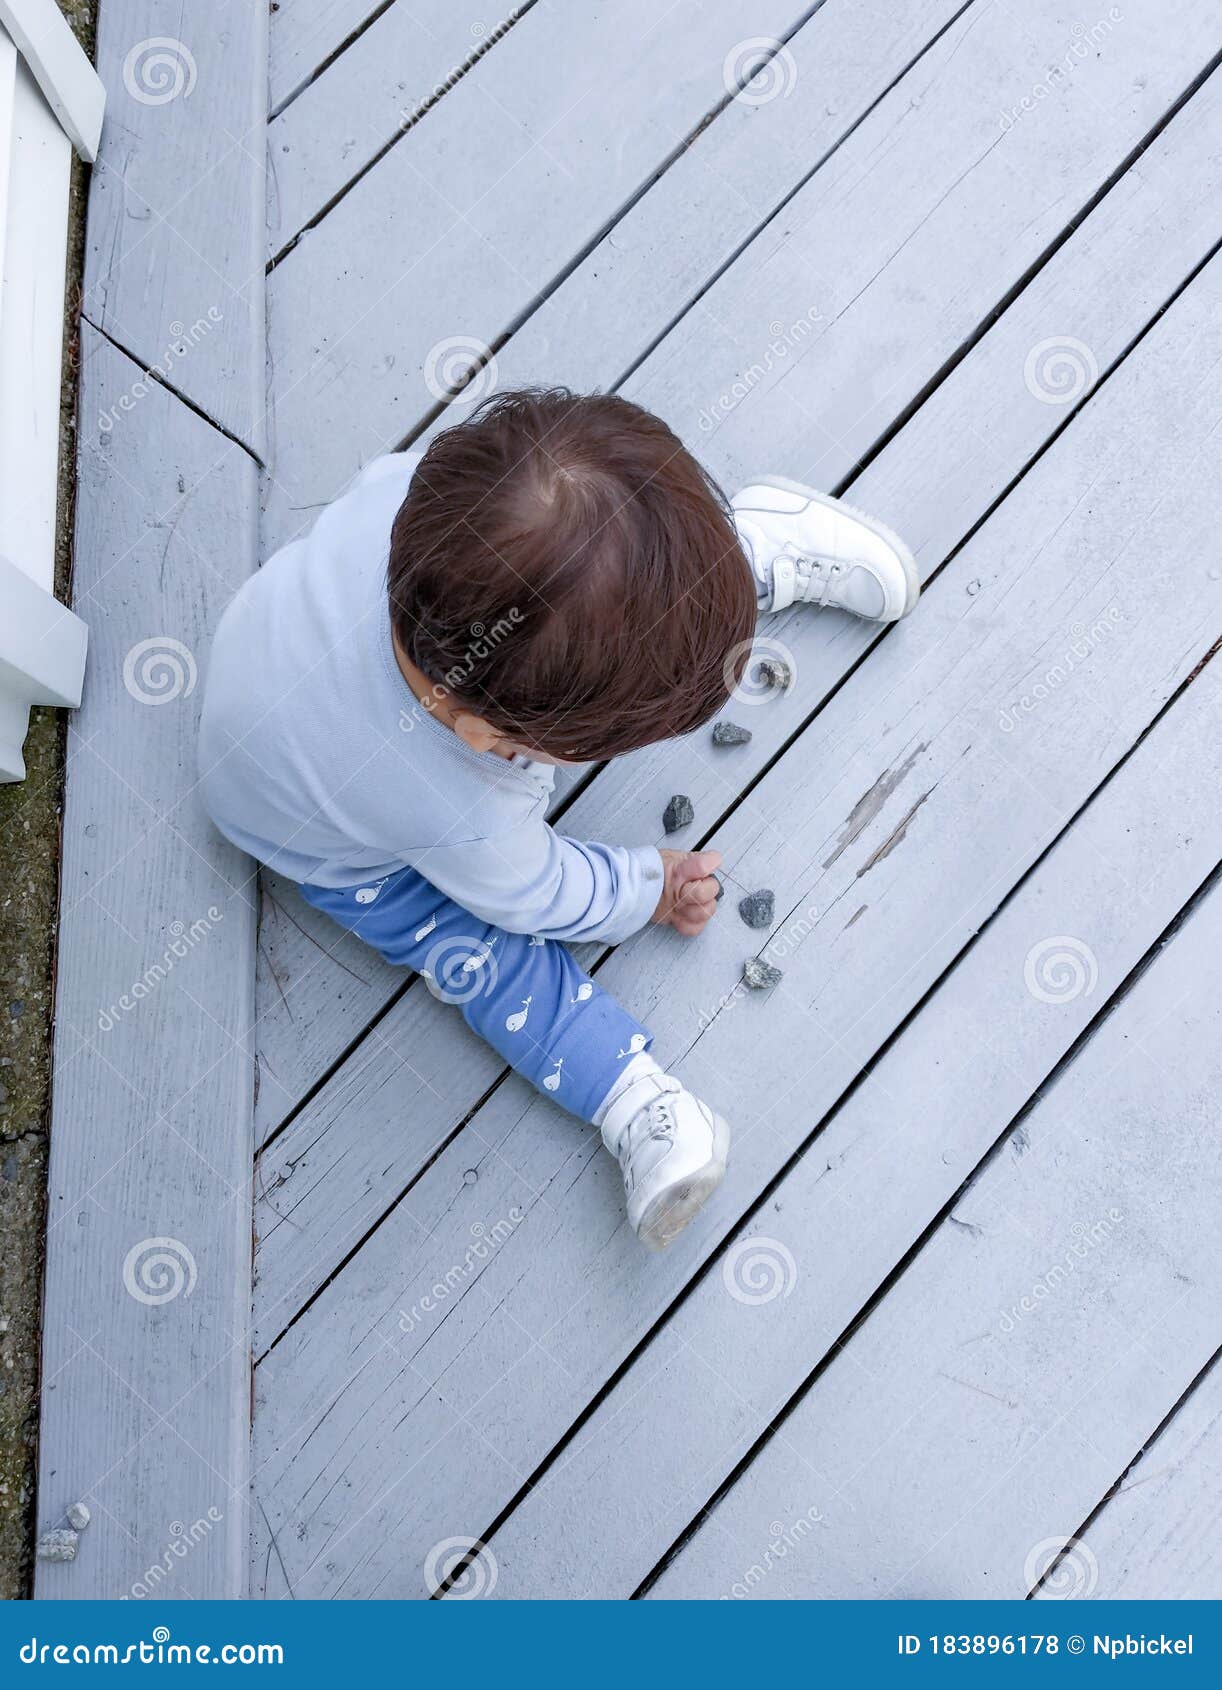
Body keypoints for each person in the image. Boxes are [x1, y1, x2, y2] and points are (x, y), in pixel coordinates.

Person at [199, 390, 917, 1248]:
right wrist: (642, 887)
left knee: (631, 584)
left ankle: (744, 548)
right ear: (491, 739)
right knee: (468, 953)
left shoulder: (430, 499)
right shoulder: (458, 810)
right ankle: (625, 1093)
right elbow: (533, 893)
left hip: (276, 663)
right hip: (325, 839)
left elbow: (588, 552)